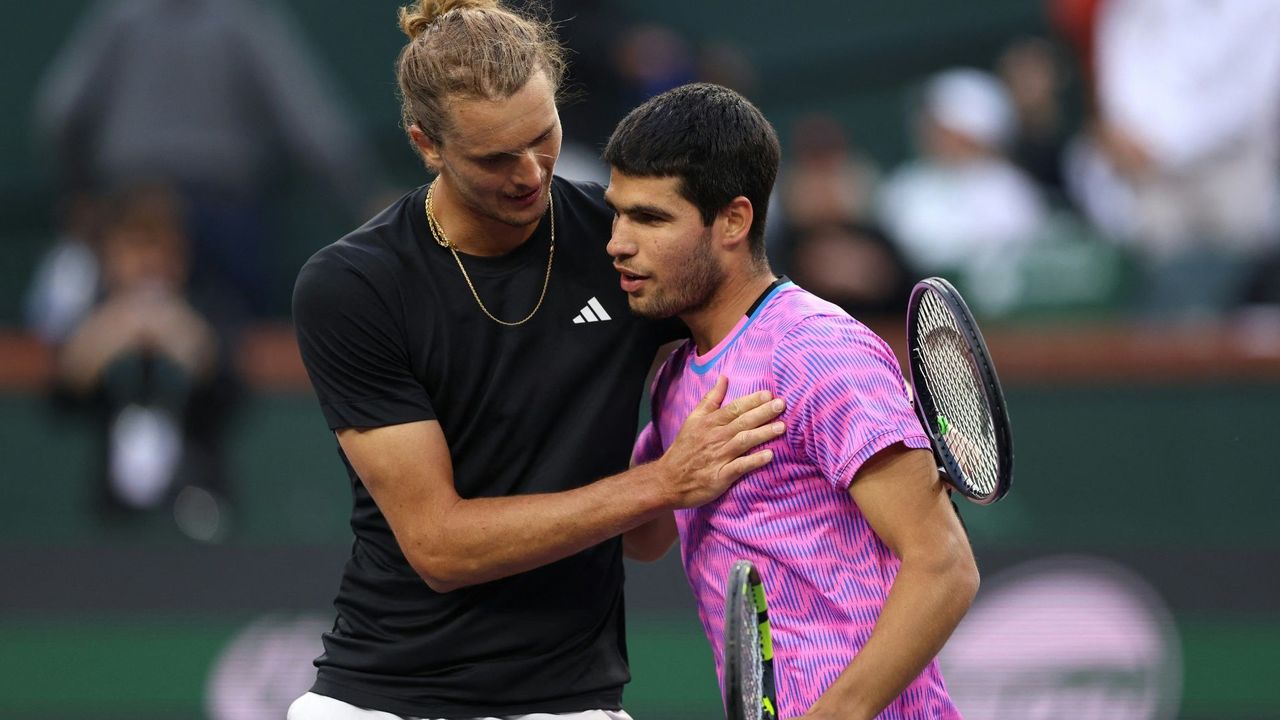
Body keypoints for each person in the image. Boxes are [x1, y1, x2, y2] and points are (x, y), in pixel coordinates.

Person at [288, 3, 786, 719]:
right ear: (426, 144)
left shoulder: (624, 245)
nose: (529, 173)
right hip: (381, 695)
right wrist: (661, 483)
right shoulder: (353, 285)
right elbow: (440, 546)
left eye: (542, 136)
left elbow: (774, 337)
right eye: (495, 157)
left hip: (570, 697)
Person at [604, 83, 979, 719]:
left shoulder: (816, 349)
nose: (617, 242)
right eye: (617, 213)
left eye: (651, 218)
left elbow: (944, 566)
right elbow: (644, 538)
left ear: (733, 220)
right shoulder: (678, 377)